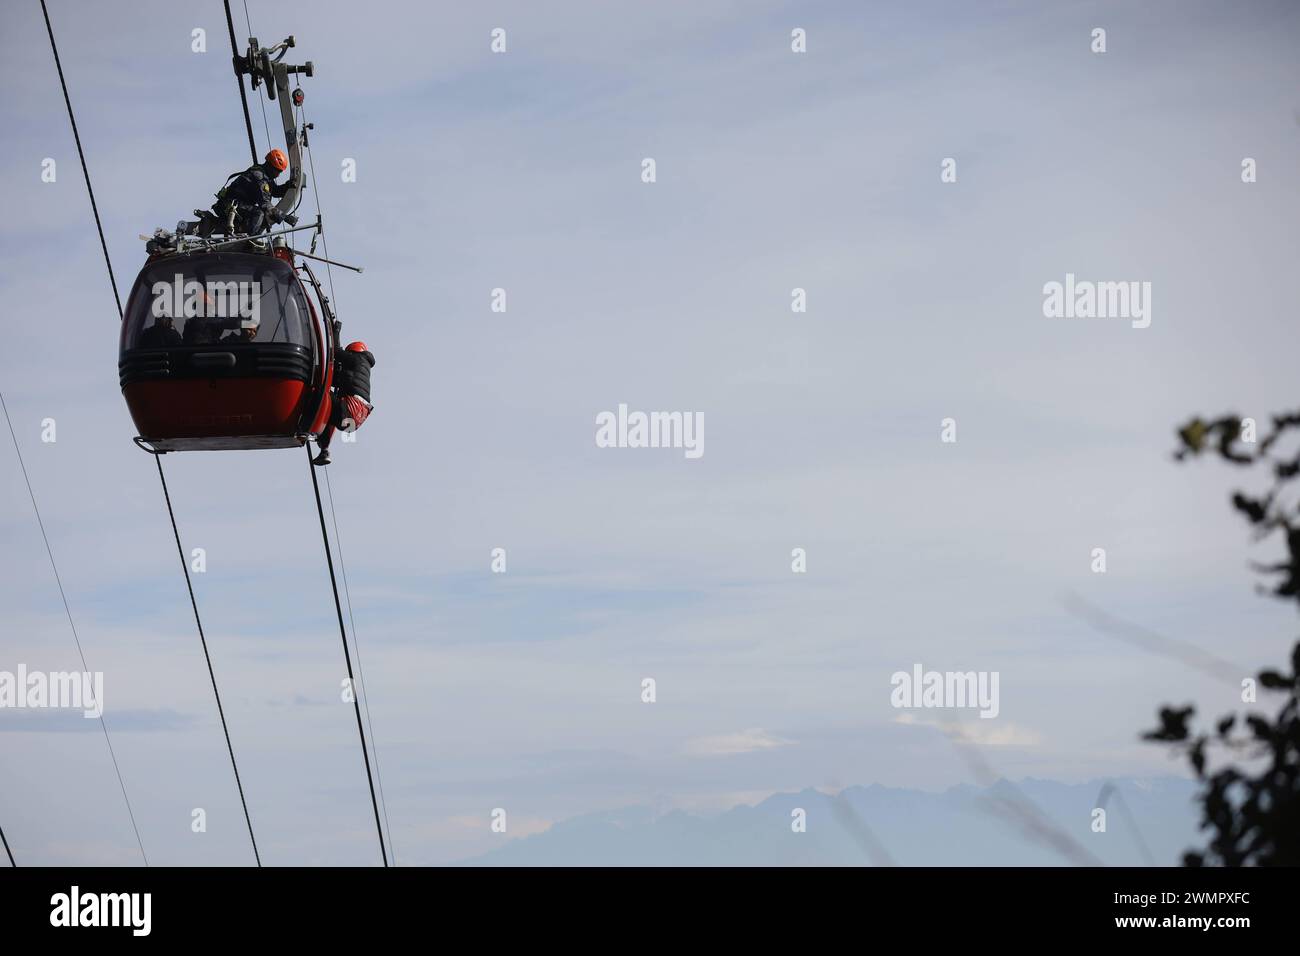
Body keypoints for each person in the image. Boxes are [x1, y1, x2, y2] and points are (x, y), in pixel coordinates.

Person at [313, 341, 375, 466]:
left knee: (321, 393)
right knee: (329, 413)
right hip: (355, 420)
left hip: (350, 408)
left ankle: (307, 416)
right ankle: (324, 451)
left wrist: (335, 331)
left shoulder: (357, 358)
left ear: (353, 351)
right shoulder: (361, 368)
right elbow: (338, 380)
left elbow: (335, 352)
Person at [207, 149, 294, 237]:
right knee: (259, 213)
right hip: (228, 206)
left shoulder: (265, 176)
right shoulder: (259, 177)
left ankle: (249, 238)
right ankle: (250, 241)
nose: (278, 175)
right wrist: (285, 217)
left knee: (261, 215)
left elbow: (274, 191)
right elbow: (265, 204)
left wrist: (287, 186)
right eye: (277, 171)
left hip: (238, 206)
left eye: (280, 172)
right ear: (270, 166)